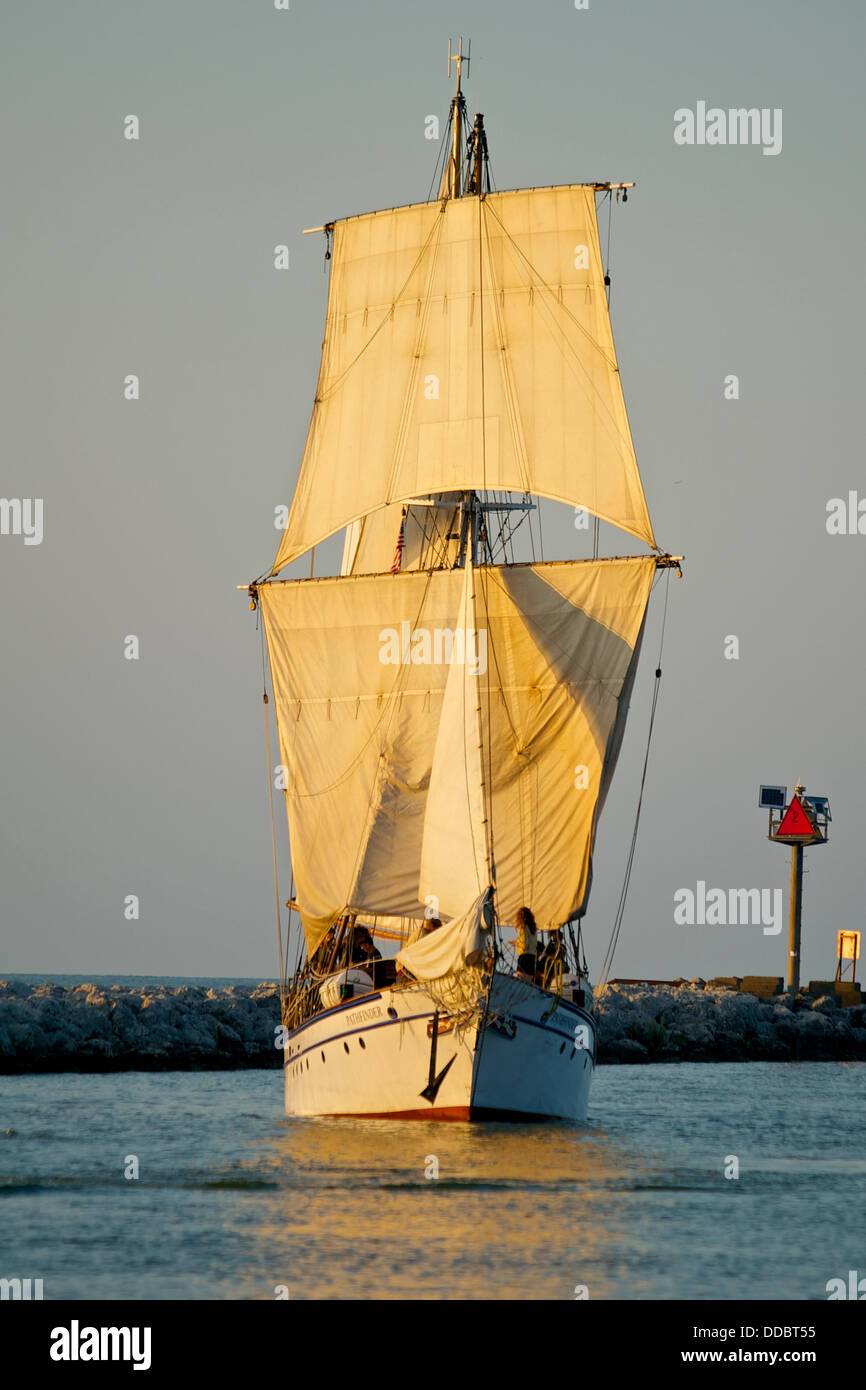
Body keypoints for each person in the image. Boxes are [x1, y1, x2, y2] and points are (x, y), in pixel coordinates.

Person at [514, 906, 538, 979]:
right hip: (532, 958)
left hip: (524, 958)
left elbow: (524, 945)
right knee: (528, 981)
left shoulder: (523, 927)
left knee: (519, 981)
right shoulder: (533, 928)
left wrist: (516, 943)